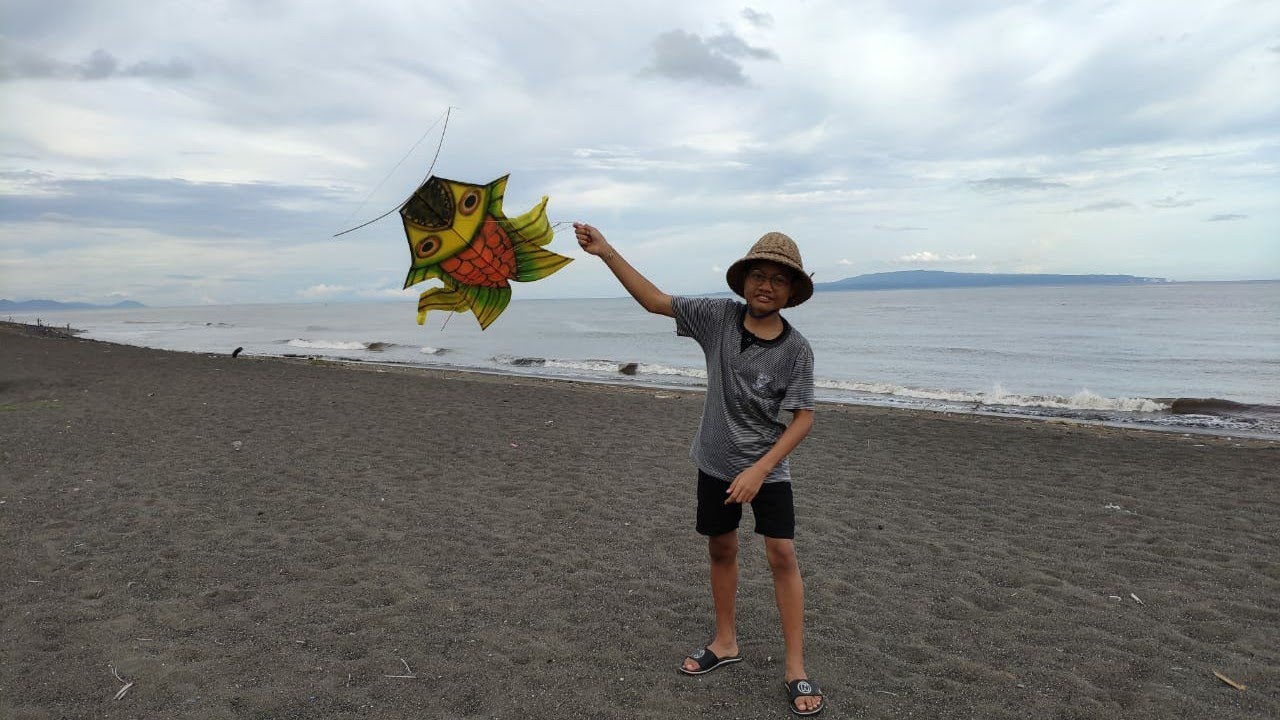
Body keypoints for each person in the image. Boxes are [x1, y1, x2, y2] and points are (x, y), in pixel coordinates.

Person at [573, 223, 824, 716]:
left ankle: (795, 666)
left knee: (782, 554)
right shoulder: (716, 318)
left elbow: (803, 419)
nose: (766, 285)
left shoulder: (798, 350)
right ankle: (725, 642)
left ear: (791, 291)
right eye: (758, 274)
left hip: (767, 469)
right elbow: (654, 300)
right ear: (744, 280)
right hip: (714, 461)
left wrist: (760, 470)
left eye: (778, 278)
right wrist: (606, 251)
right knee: (722, 547)